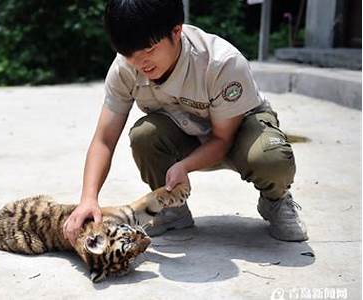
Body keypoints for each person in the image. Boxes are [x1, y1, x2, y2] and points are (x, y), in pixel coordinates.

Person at [63, 0, 307, 244]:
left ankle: (275, 200)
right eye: (130, 55)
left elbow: (223, 140)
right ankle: (171, 211)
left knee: (270, 157)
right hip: (187, 131)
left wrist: (185, 166)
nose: (141, 64)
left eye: (149, 50)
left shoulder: (221, 62)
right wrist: (88, 199)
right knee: (144, 135)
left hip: (238, 131)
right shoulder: (125, 69)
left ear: (176, 31)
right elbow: (104, 139)